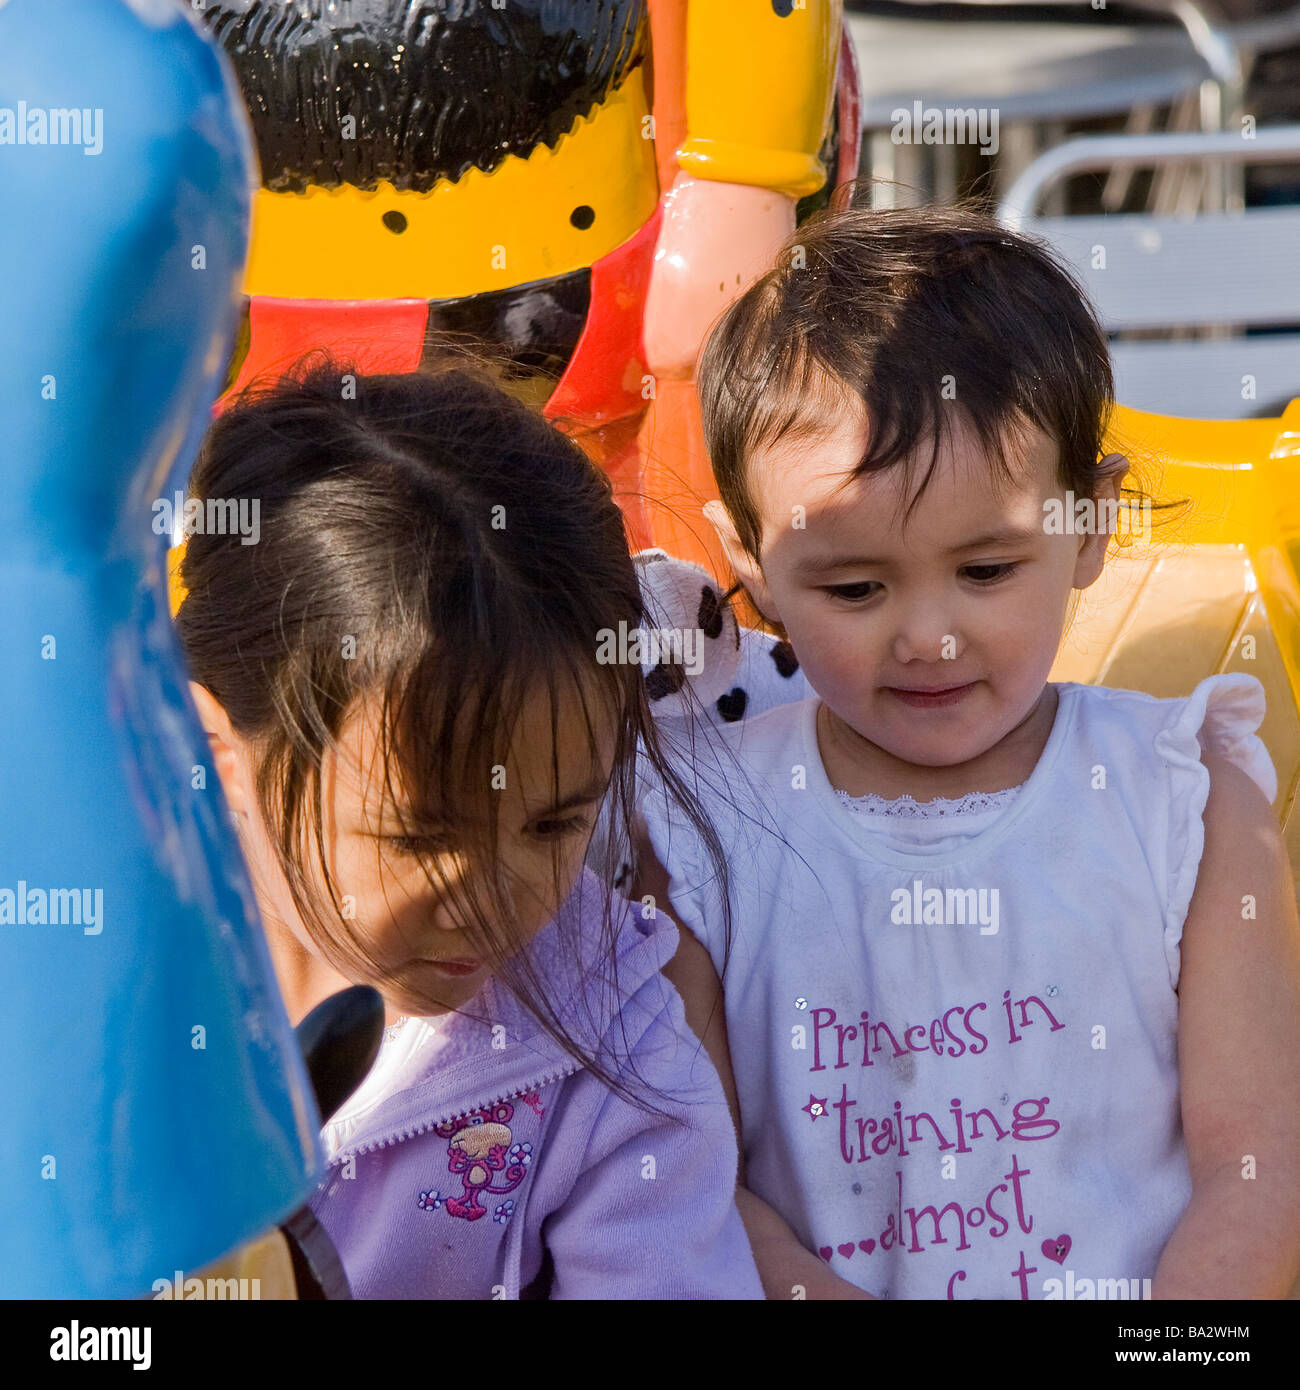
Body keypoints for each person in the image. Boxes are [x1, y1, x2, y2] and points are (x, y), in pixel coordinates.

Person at [632, 198, 1300, 1299]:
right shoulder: (703, 821)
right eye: (853, 588)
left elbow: (1260, 1166)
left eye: (986, 571)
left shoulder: (1184, 794)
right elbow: (682, 1180)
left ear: (1089, 525)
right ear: (748, 562)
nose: (928, 635)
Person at [175, 359, 763, 1300]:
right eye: (419, 837)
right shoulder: (94, 991)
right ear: (217, 751)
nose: (496, 898)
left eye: (557, 822)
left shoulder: (609, 1061)